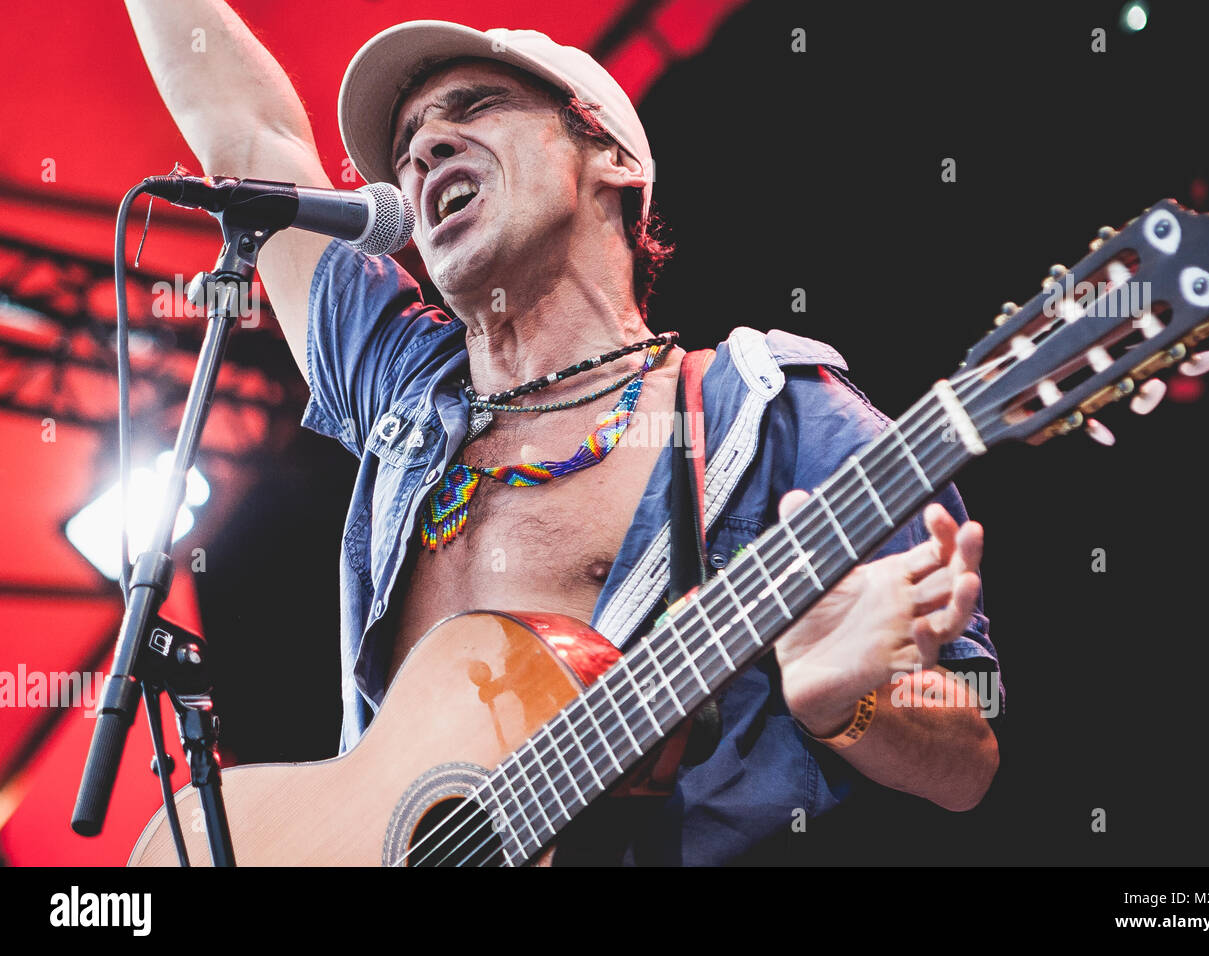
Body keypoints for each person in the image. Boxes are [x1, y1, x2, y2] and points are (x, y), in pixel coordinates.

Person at [125, 1, 1002, 864]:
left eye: (476, 109)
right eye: (408, 147)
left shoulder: (770, 406)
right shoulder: (402, 383)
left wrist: (848, 703)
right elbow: (248, 135)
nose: (424, 149)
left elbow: (970, 761)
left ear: (612, 159)